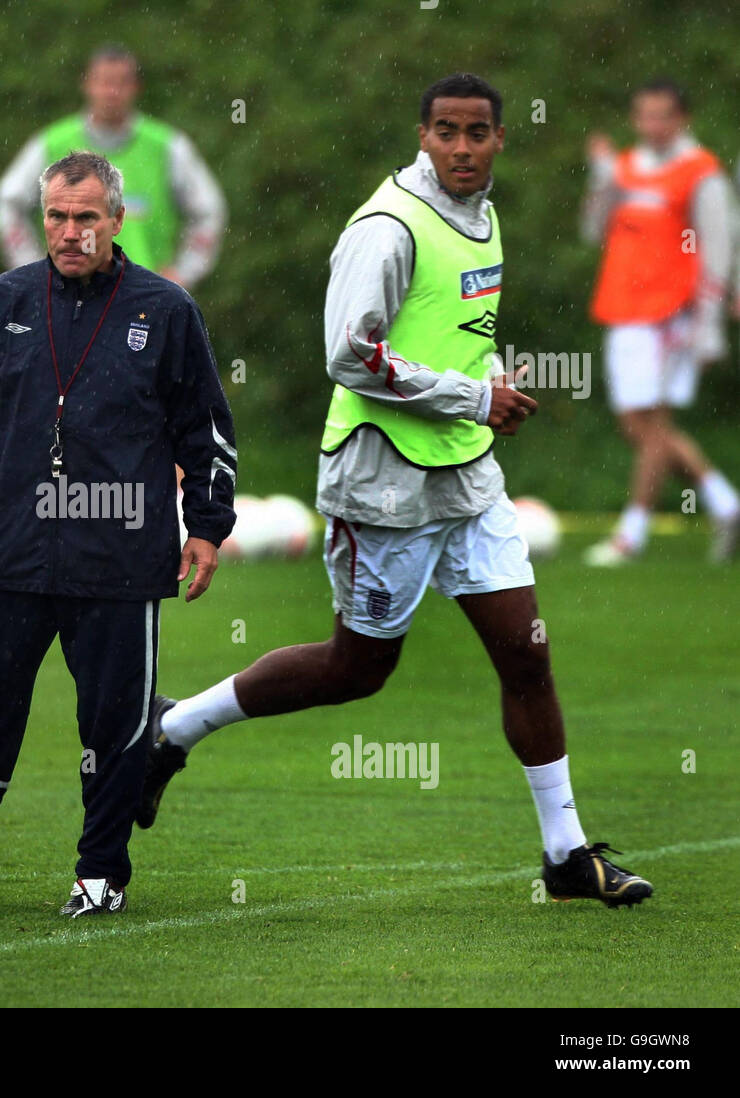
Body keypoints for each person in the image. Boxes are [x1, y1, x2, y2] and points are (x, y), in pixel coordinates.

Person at [136, 74, 653, 910]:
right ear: (422, 136)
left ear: (498, 140)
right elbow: (351, 354)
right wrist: (472, 396)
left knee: (526, 652)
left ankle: (565, 858)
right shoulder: (386, 228)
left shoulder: (482, 218)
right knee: (357, 668)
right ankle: (173, 729)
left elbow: (449, 337)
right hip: (383, 487)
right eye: (444, 131)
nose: (460, 147)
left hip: (468, 478)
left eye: (476, 132)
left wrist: (490, 382)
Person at [0, 151, 236, 917]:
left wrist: (208, 527)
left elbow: (204, 429)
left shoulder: (166, 309)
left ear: (117, 220)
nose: (71, 231)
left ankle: (101, 871)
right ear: (41, 217)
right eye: (57, 215)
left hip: (120, 555)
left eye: (87, 217)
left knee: (113, 725)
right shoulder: (0, 301)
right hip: (11, 552)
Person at [581, 80, 739, 566]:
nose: (653, 126)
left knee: (654, 424)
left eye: (663, 116)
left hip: (673, 313)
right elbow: (593, 231)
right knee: (637, 424)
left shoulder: (701, 172)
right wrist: (601, 177)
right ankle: (727, 506)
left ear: (682, 118)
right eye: (645, 116)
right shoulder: (626, 168)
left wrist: (710, 320)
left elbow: (718, 244)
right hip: (625, 309)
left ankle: (631, 535)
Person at [0, 45, 226, 290]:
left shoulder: (168, 147)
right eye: (104, 81)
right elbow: (8, 203)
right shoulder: (50, 144)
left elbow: (208, 210)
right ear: (87, 84)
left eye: (121, 82)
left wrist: (182, 274)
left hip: (144, 297)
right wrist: (33, 268)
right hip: (67, 294)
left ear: (136, 87)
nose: (112, 91)